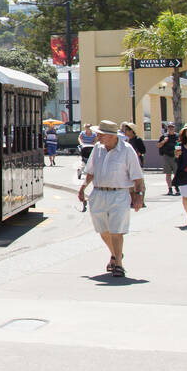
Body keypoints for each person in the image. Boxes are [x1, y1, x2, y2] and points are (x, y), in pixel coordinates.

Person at [77, 119, 145, 278]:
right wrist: (82, 188)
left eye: (101, 134)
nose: (98, 137)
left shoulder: (127, 150)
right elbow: (91, 172)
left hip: (119, 194)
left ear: (111, 136)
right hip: (99, 193)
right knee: (103, 229)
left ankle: (118, 264)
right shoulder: (98, 149)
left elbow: (137, 176)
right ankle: (116, 254)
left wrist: (138, 195)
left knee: (116, 230)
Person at [156, 122, 178, 195]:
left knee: (177, 173)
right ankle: (170, 189)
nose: (171, 129)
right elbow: (158, 145)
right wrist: (164, 141)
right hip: (167, 156)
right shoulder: (164, 136)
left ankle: (177, 188)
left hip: (175, 156)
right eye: (169, 127)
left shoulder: (177, 136)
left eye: (172, 127)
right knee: (168, 174)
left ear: (174, 128)